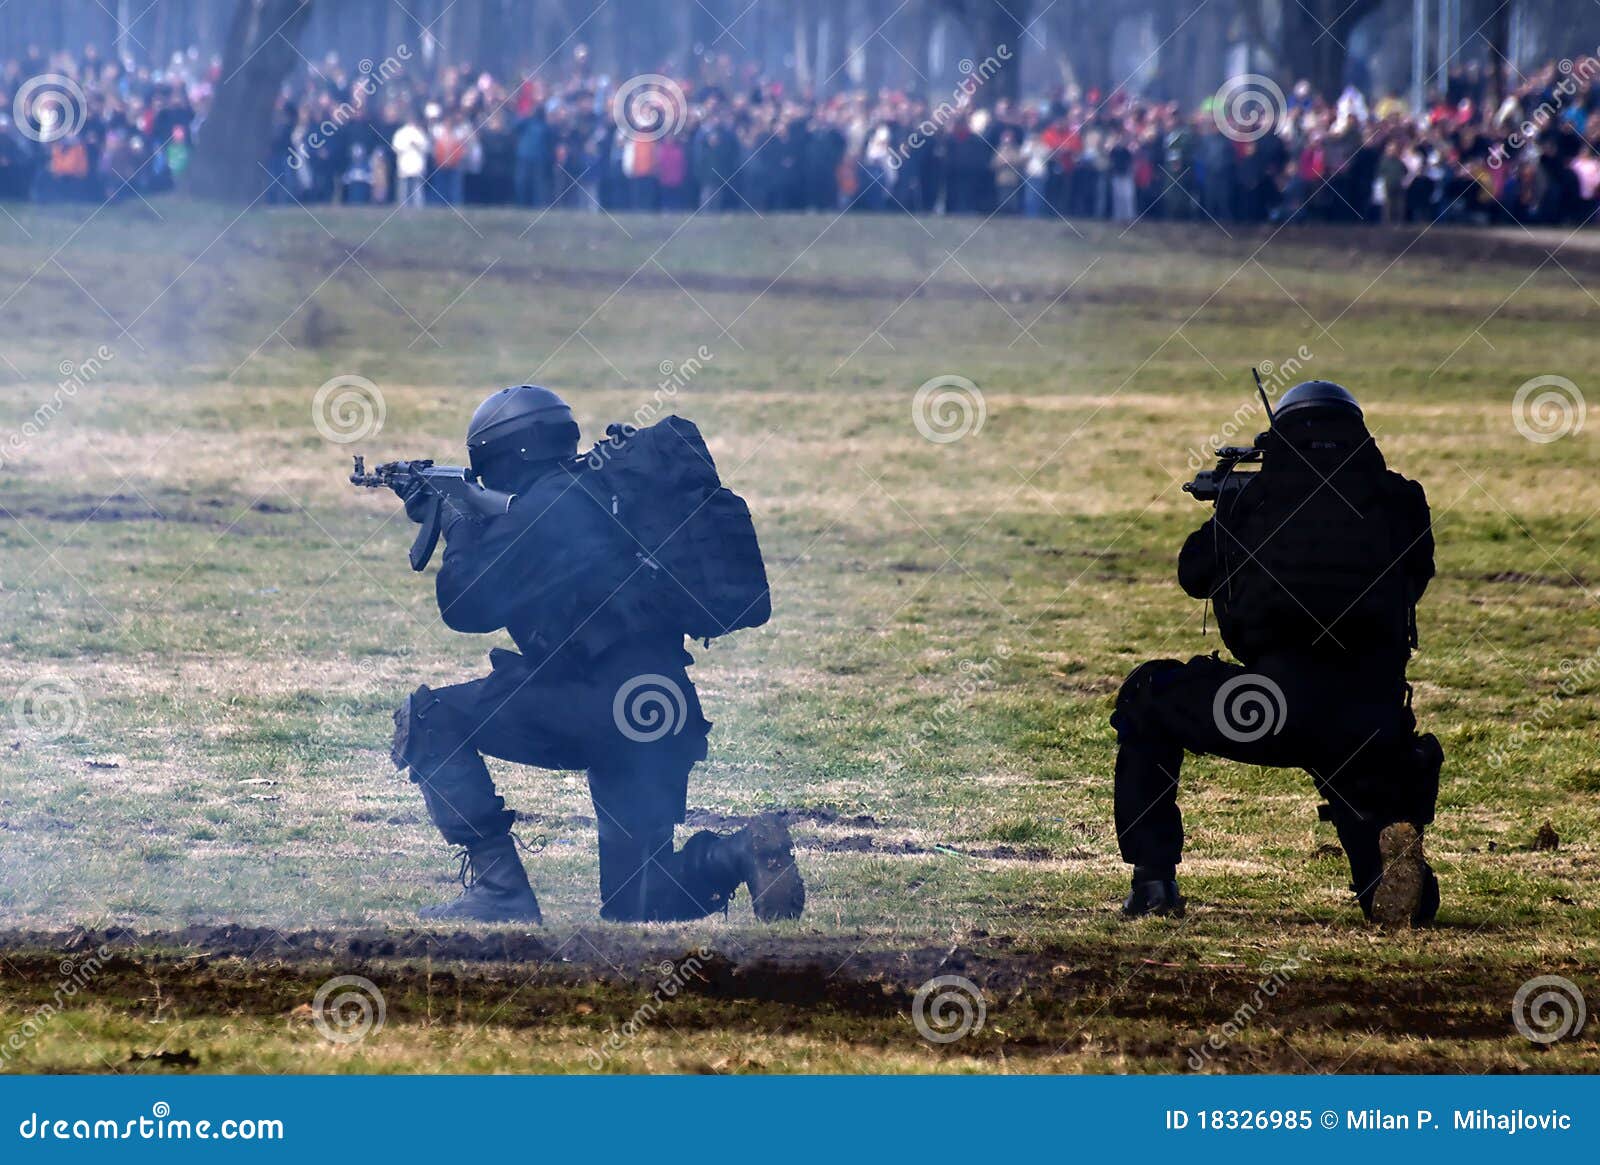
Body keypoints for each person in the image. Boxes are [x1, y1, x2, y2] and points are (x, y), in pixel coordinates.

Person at [387, 385, 806, 924]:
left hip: (593, 704)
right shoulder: (596, 492)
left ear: (498, 454)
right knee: (641, 899)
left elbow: (465, 605)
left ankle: (499, 890)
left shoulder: (544, 511)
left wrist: (456, 521)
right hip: (659, 711)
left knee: (429, 719)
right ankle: (739, 852)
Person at [1110, 381, 1443, 927]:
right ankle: (1391, 871)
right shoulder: (1401, 502)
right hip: (1369, 720)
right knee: (1380, 864)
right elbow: (1416, 578)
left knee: (1148, 697)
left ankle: (1153, 882)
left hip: (1266, 706)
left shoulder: (1254, 499)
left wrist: (1229, 509)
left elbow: (1192, 574)